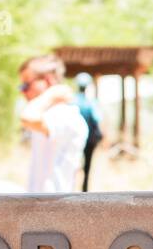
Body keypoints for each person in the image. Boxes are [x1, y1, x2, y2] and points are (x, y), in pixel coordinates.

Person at [18, 54, 88, 193]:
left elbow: (27, 117)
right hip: (42, 207)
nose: (22, 91)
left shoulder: (64, 115)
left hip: (53, 208)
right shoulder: (48, 115)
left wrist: (52, 93)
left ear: (48, 80)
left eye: (26, 85)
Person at [74, 72, 103, 192]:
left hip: (74, 139)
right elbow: (97, 119)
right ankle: (84, 189)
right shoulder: (91, 103)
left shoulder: (72, 101)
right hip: (90, 140)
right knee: (87, 165)